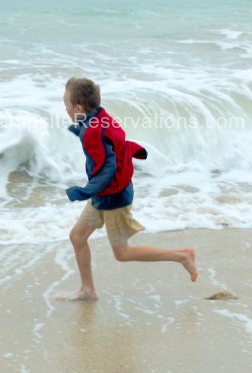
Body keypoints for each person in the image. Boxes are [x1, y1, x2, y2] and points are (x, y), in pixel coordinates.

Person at [61, 77, 198, 301]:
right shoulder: (97, 119)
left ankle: (182, 256)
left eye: (65, 103)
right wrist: (79, 130)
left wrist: (84, 191)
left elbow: (107, 166)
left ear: (79, 108)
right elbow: (111, 143)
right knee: (77, 237)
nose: (64, 108)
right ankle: (88, 289)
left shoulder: (93, 131)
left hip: (113, 195)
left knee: (122, 253)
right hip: (105, 192)